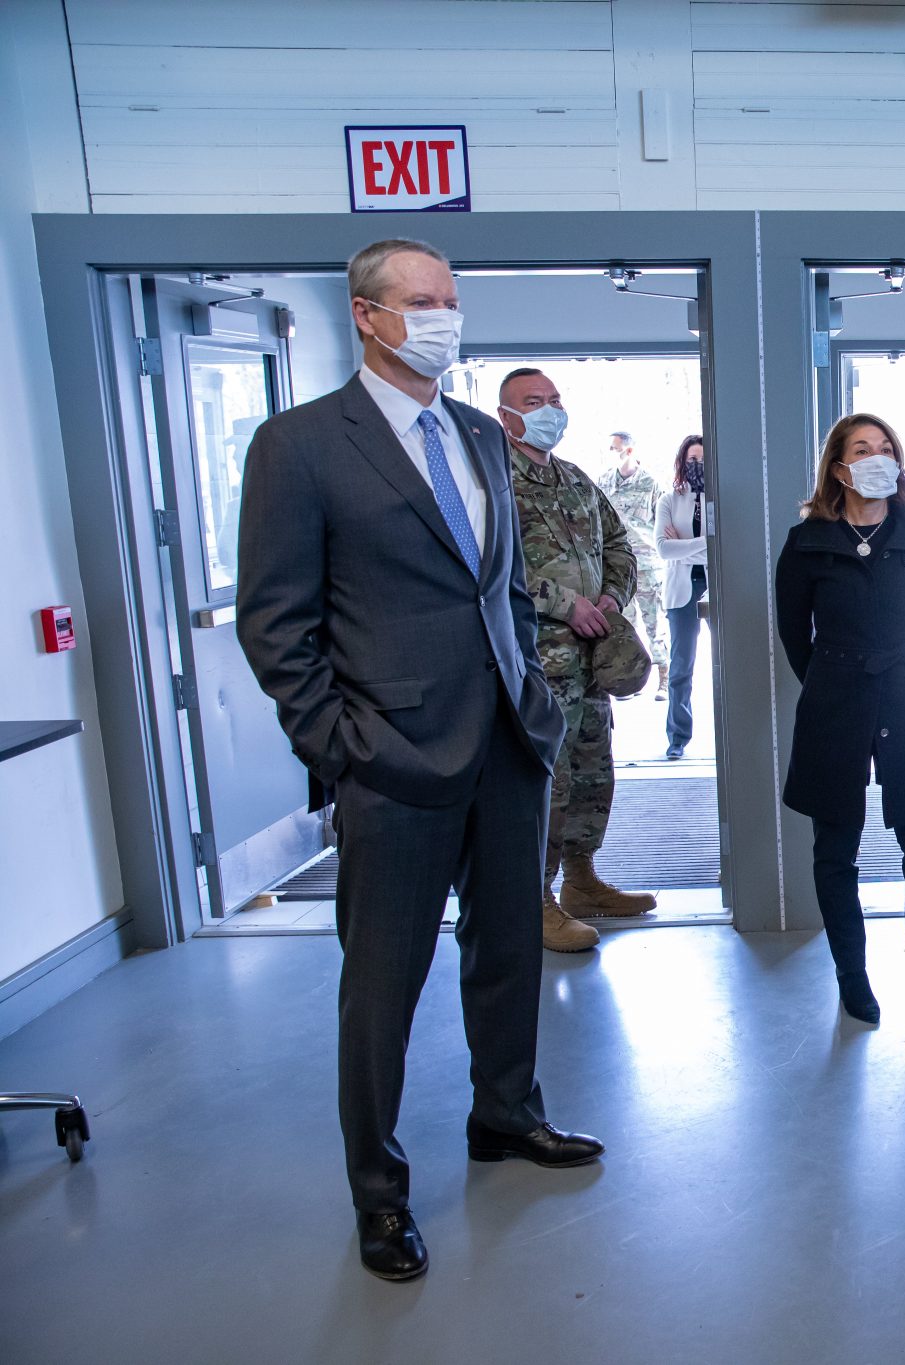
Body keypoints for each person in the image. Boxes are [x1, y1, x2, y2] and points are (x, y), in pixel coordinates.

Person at [235, 238, 602, 1283]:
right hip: (390, 759)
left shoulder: (483, 436)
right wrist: (341, 748)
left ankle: (506, 1116)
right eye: (420, 302)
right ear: (366, 315)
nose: (443, 317)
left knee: (508, 953)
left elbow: (501, 587)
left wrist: (529, 698)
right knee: (383, 985)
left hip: (505, 744)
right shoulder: (300, 445)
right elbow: (275, 625)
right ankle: (379, 1193)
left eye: (451, 301)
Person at [775, 413, 905, 1025]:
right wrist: (835, 679)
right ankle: (852, 972)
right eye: (862, 448)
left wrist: (895, 661)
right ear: (839, 467)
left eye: (886, 448)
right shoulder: (807, 543)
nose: (877, 457)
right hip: (835, 695)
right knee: (835, 847)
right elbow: (794, 634)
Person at [503, 369, 659, 950]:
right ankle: (535, 898)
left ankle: (582, 882)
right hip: (538, 667)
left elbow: (620, 545)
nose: (549, 411)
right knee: (551, 781)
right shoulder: (495, 484)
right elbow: (492, 569)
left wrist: (611, 597)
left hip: (593, 665)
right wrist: (567, 604)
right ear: (506, 416)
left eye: (554, 400)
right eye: (533, 402)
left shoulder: (574, 480)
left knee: (594, 773)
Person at [656, 434, 711, 758]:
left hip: (718, 585)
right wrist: (708, 545)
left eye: (702, 460)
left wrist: (685, 547)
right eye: (691, 460)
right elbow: (664, 549)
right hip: (682, 591)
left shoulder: (723, 498)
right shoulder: (669, 500)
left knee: (726, 664)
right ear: (682, 462)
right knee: (680, 669)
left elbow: (728, 546)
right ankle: (677, 738)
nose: (697, 466)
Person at [600, 430, 667, 693]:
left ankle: (664, 677)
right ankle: (633, 679)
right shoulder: (604, 483)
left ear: (629, 451)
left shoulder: (651, 484)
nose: (611, 453)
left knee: (655, 626)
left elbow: (664, 525)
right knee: (626, 625)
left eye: (615, 448)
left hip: (648, 566)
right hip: (618, 569)